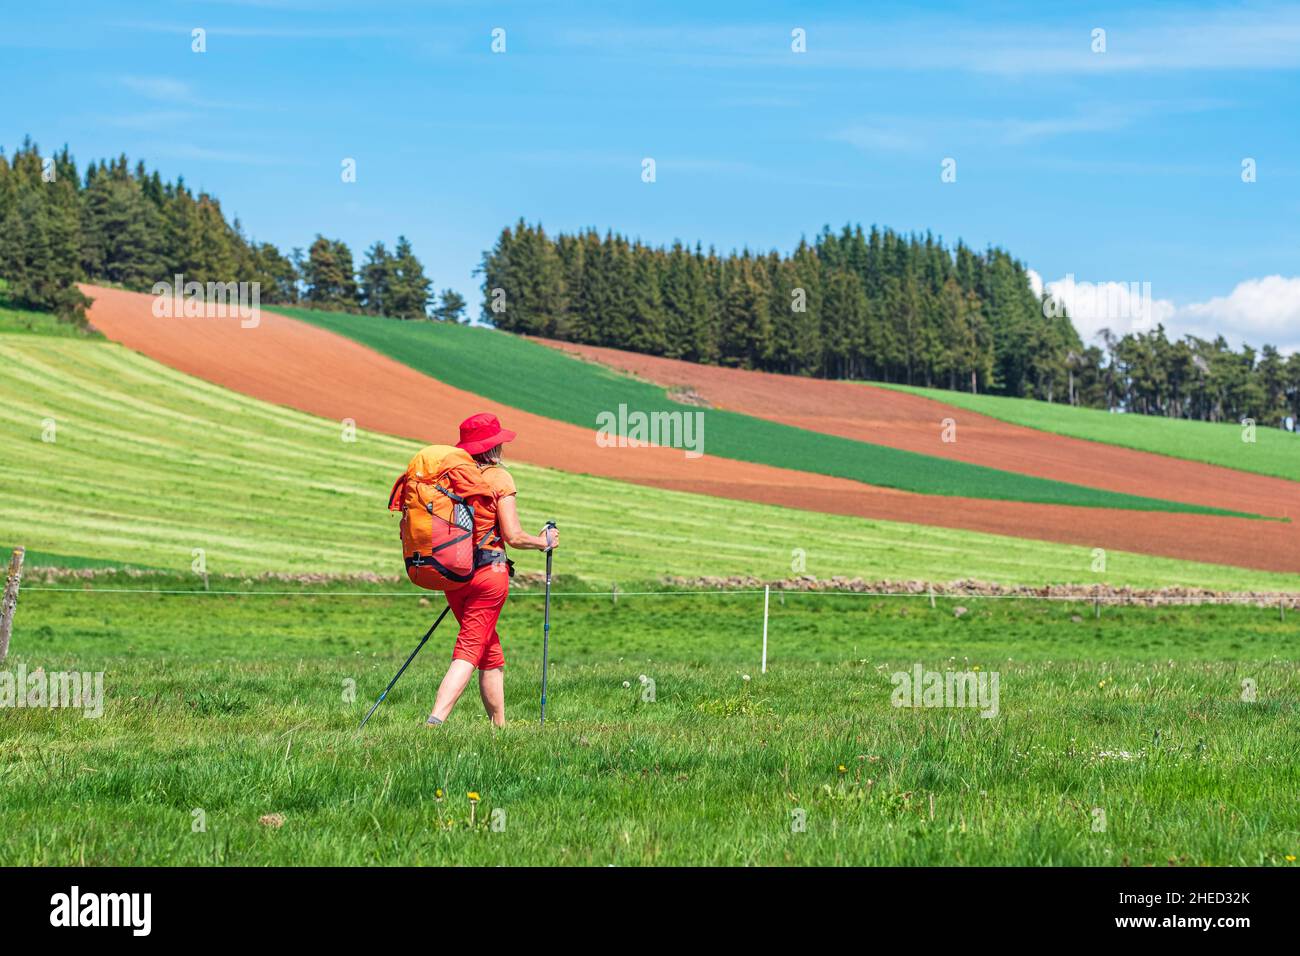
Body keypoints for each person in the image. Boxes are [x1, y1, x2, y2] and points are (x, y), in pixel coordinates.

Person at [427, 412, 558, 727]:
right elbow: (512, 536)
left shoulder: (451, 476)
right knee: (470, 647)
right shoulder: (499, 478)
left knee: (489, 651)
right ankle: (434, 721)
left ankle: (499, 729)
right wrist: (544, 542)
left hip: (454, 574)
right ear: (493, 447)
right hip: (489, 575)